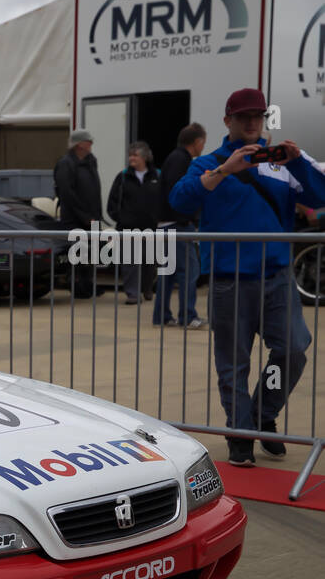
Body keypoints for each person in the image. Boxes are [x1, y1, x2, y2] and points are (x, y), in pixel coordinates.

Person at [169, 87, 325, 466]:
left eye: (258, 116)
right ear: (228, 121)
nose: (252, 123)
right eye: (243, 117)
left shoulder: (284, 163)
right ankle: (240, 434)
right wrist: (225, 171)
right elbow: (179, 200)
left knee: (292, 349)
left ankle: (259, 416)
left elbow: (319, 198)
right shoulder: (209, 162)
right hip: (229, 279)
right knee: (233, 364)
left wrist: (297, 163)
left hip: (277, 277)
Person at [157, 123, 207, 328]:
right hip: (177, 225)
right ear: (197, 142)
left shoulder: (172, 158)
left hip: (165, 224)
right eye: (203, 142)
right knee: (189, 270)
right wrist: (189, 219)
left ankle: (162, 315)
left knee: (167, 273)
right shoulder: (183, 161)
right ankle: (188, 316)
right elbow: (179, 194)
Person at [107, 141, 162, 305]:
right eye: (130, 155)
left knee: (149, 261)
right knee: (130, 262)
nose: (131, 158)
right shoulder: (123, 177)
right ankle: (132, 293)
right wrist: (121, 218)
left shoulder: (158, 176)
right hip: (128, 228)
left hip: (151, 228)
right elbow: (112, 202)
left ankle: (146, 288)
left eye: (135, 155)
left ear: (145, 157)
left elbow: (164, 199)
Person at [54, 130, 102, 231]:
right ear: (79, 144)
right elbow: (66, 194)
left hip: (93, 220)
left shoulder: (91, 162)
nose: (91, 143)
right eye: (88, 140)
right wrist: (85, 217)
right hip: (74, 222)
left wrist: (96, 217)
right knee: (79, 247)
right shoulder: (65, 164)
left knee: (97, 246)